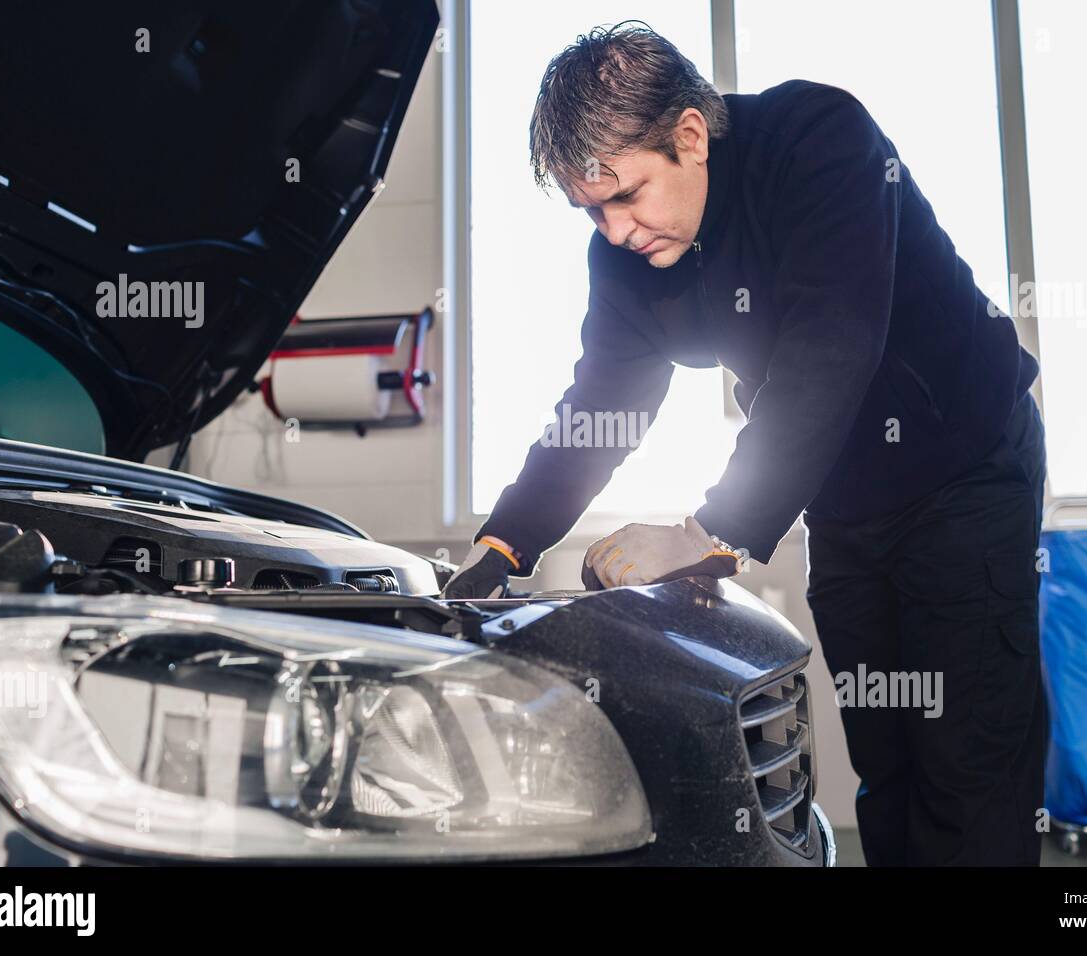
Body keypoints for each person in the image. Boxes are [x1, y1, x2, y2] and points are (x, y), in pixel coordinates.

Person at [443, 23, 1046, 866]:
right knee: (887, 761)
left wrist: (704, 533)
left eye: (626, 195)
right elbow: (601, 402)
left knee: (965, 764)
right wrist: (504, 542)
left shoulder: (820, 142)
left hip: (964, 468)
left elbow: (830, 348)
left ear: (690, 135)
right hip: (844, 499)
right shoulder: (624, 258)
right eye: (592, 210)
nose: (614, 230)